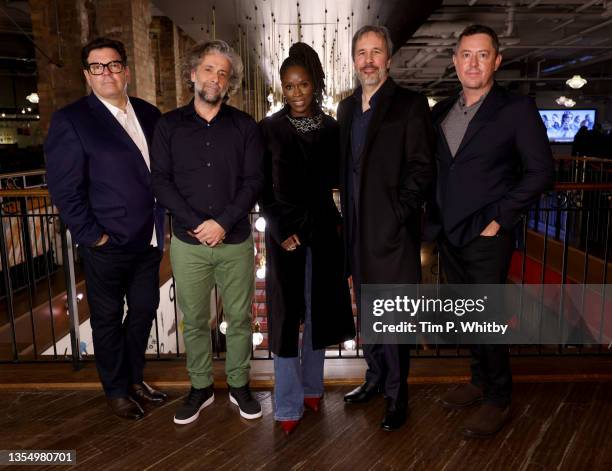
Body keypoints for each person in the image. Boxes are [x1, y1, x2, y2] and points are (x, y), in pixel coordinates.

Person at [426, 25, 553, 438]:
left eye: (483, 55)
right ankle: (479, 380)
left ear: (496, 61)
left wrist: (499, 219)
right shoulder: (440, 110)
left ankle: (498, 398)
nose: (474, 63)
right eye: (466, 54)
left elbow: (540, 172)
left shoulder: (516, 109)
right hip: (450, 233)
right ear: (455, 60)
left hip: (488, 235)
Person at [45, 37, 167, 420]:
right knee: (107, 318)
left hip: (148, 238)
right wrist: (92, 235)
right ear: (87, 75)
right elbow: (65, 188)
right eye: (97, 67)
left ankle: (134, 378)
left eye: (113, 65)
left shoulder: (149, 113)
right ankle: (116, 390)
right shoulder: (72, 119)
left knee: (146, 308)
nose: (106, 73)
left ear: (126, 70)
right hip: (106, 242)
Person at [151, 40, 264, 425]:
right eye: (208, 70)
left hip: (234, 242)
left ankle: (238, 385)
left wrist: (223, 222)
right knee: (195, 321)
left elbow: (253, 181)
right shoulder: (167, 126)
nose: (215, 79)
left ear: (228, 83)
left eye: (223, 73)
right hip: (188, 244)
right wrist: (197, 225)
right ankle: (200, 387)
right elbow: (161, 182)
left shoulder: (246, 127)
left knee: (240, 319)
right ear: (192, 74)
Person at [338, 25, 435, 431]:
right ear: (355, 60)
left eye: (376, 52)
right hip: (356, 232)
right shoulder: (345, 108)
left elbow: (421, 167)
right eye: (362, 53)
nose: (369, 60)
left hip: (392, 234)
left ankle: (398, 397)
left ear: (388, 59)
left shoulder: (410, 105)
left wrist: (398, 214)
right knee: (368, 315)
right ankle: (375, 379)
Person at [260, 43, 356, 435]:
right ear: (282, 89)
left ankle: (313, 388)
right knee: (285, 319)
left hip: (323, 230)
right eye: (288, 86)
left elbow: (343, 179)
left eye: (302, 85)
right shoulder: (268, 129)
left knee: (320, 311)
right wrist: (280, 231)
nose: (296, 93)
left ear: (314, 85)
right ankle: (286, 404)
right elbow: (262, 187)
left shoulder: (333, 128)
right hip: (284, 233)